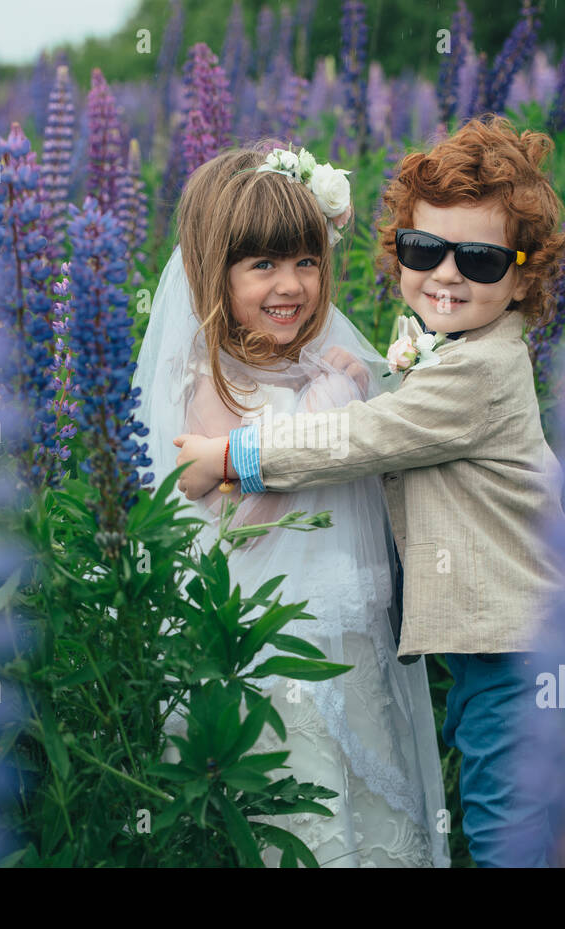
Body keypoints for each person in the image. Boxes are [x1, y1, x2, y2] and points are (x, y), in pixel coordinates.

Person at [174, 115, 565, 867]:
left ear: (524, 277)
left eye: (480, 261)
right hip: (492, 645)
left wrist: (232, 455)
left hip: (521, 645)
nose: (448, 274)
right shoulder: (462, 351)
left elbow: (361, 439)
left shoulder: (477, 371)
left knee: (507, 833)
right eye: (426, 251)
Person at [133, 142, 450, 867]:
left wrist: (353, 397)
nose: (292, 285)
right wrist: (320, 411)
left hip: (345, 638)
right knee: (288, 813)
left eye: (307, 261)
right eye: (264, 265)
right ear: (217, 272)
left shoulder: (320, 359)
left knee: (362, 803)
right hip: (261, 648)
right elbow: (236, 526)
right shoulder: (211, 381)